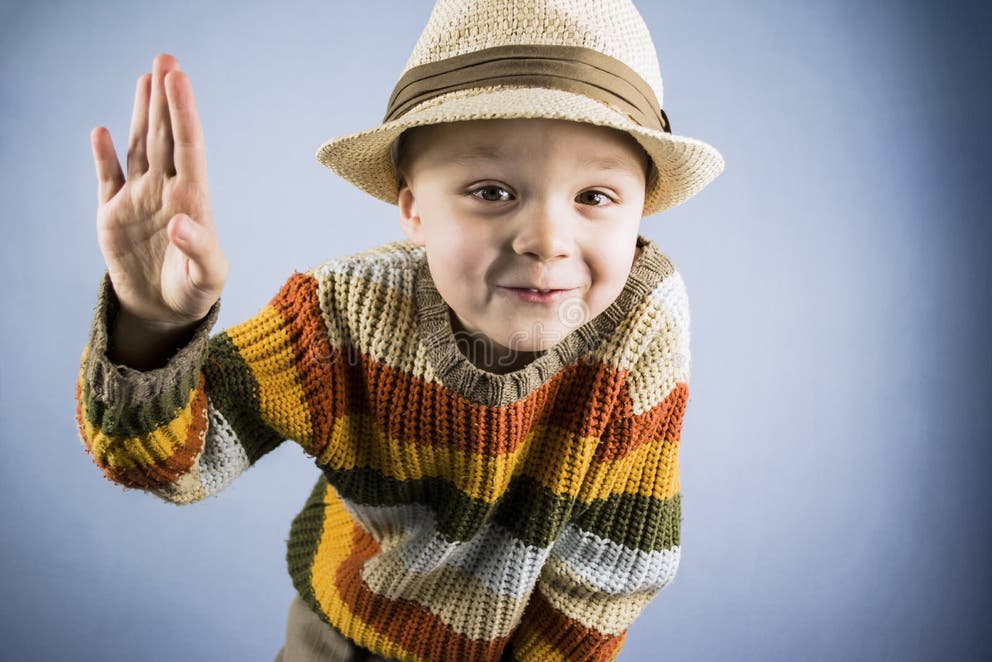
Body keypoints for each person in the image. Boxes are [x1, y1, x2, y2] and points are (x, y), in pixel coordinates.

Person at [74, 1, 724, 660]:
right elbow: (165, 461)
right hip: (343, 631)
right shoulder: (343, 313)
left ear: (640, 210)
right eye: (492, 191)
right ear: (413, 210)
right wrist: (153, 324)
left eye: (594, 197)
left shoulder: (639, 328)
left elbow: (612, 571)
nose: (547, 240)